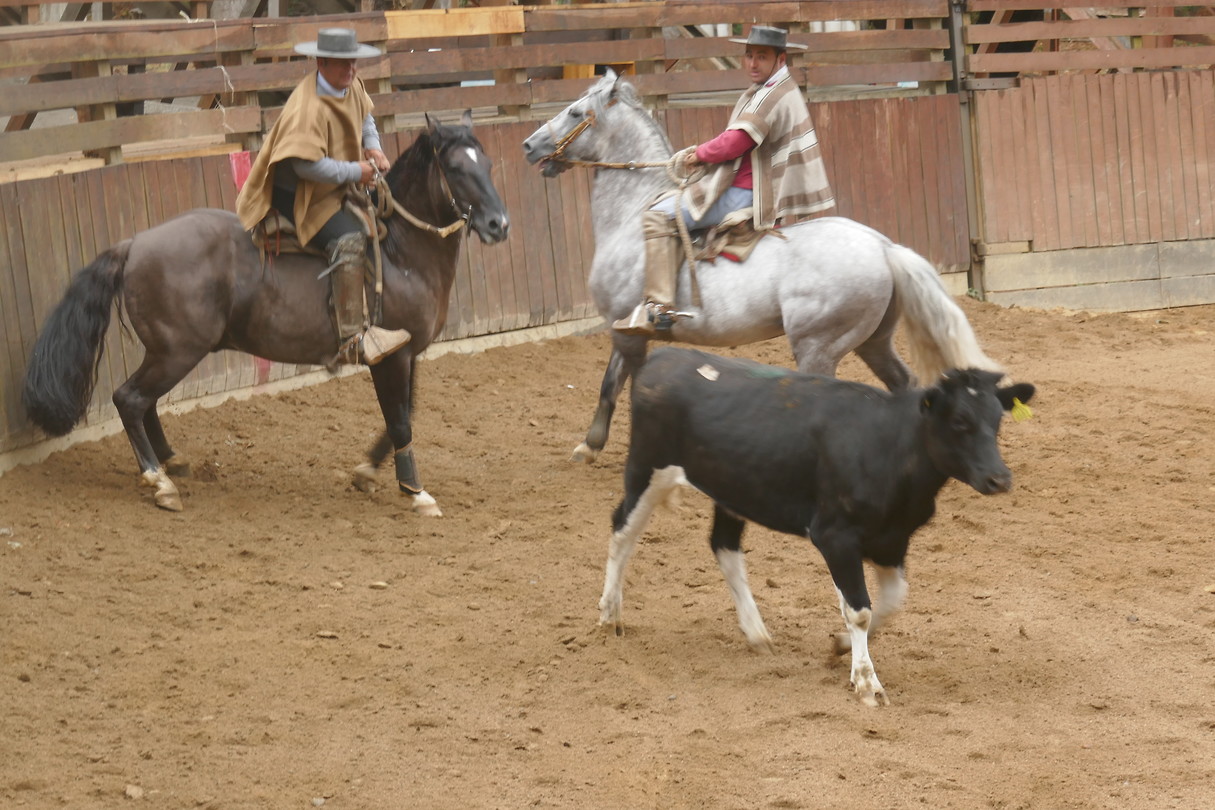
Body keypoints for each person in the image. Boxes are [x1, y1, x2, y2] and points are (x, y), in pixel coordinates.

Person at [613, 25, 836, 337]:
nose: (753, 63)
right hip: (751, 185)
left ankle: (659, 308)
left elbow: (736, 142)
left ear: (780, 58)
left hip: (748, 193)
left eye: (761, 56)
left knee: (659, 216)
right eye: (748, 56)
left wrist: (699, 155)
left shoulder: (774, 94)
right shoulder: (776, 89)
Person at [236, 27, 409, 365]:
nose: (353, 70)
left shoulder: (351, 83)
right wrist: (355, 172)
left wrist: (373, 149)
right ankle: (350, 337)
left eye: (354, 63)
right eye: (344, 64)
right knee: (350, 237)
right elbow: (306, 167)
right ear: (322, 63)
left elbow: (366, 119)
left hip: (335, 180)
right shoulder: (307, 108)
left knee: (385, 210)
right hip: (299, 192)